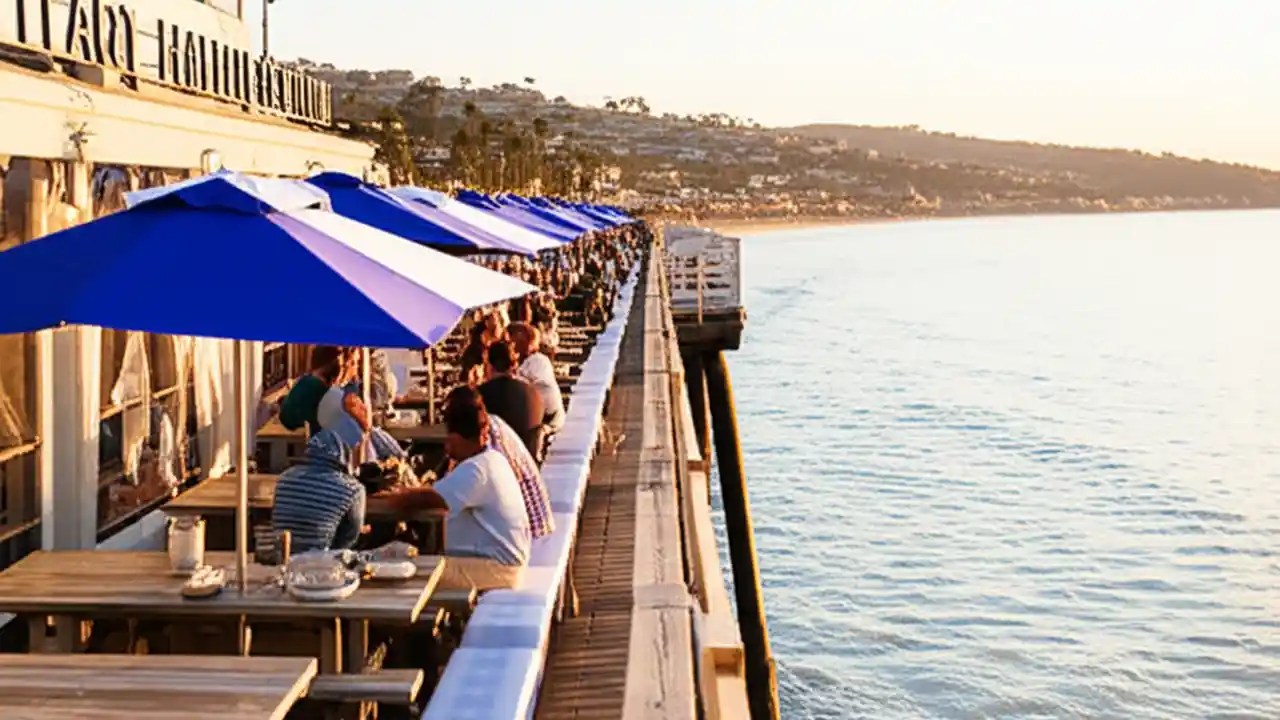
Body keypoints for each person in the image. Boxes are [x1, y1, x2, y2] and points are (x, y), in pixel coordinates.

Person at [387, 389, 530, 591]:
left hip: (495, 570)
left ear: (456, 437)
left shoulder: (477, 469)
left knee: (405, 572)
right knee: (410, 562)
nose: (446, 447)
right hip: (498, 564)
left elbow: (427, 499)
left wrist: (389, 496)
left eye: (448, 440)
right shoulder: (491, 458)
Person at [445, 386, 553, 539]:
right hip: (536, 529)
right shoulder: (493, 424)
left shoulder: (486, 457)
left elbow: (442, 502)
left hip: (530, 538)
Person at [271, 427, 366, 553]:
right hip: (319, 559)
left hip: (282, 555)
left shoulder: (285, 478)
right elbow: (351, 535)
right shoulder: (352, 489)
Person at [478, 341, 544, 456]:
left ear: (489, 366)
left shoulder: (480, 396)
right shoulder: (533, 392)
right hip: (528, 462)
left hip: (501, 464)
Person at [507, 322, 565, 441]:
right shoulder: (525, 363)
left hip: (548, 418)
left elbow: (522, 386)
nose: (510, 345)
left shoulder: (538, 361)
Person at [279, 346, 354, 434]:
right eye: (340, 366)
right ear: (329, 365)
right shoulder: (320, 390)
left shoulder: (306, 381)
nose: (341, 370)